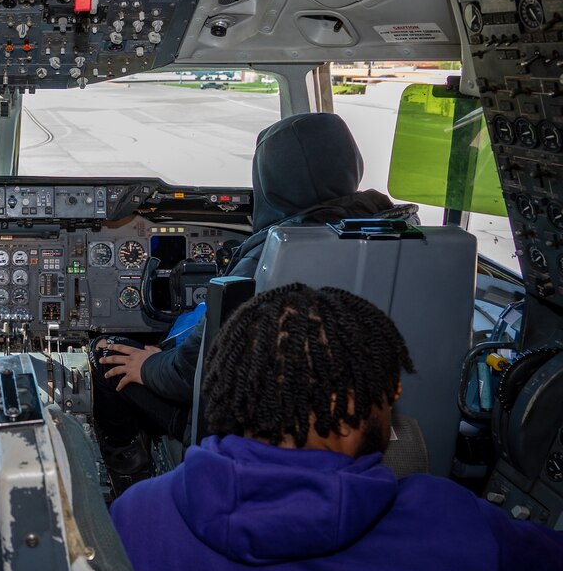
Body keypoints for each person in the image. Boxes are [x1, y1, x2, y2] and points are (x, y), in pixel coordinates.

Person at [111, 283, 563, 571]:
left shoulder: (136, 520)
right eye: (389, 391)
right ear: (351, 412)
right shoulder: (460, 528)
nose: (395, 400)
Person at [91, 111, 411, 489]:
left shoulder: (270, 255)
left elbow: (190, 375)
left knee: (106, 354)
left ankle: (133, 479)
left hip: (231, 419)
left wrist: (147, 366)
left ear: (270, 179)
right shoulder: (408, 237)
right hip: (371, 417)